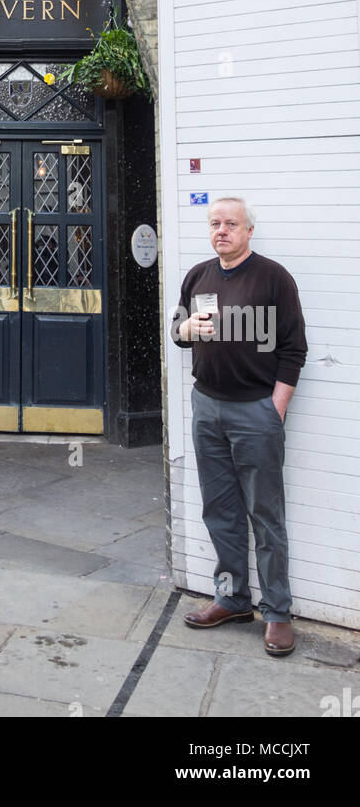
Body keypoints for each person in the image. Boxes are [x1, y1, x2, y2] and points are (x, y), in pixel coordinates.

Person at [171, 196, 307, 656]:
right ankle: (231, 598)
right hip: (207, 406)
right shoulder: (197, 275)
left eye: (231, 223)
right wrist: (188, 327)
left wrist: (276, 407)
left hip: (255, 411)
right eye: (215, 223)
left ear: (249, 230)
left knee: (265, 514)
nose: (222, 230)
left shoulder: (273, 278)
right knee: (220, 510)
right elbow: (176, 330)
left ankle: (277, 612)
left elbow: (294, 348)